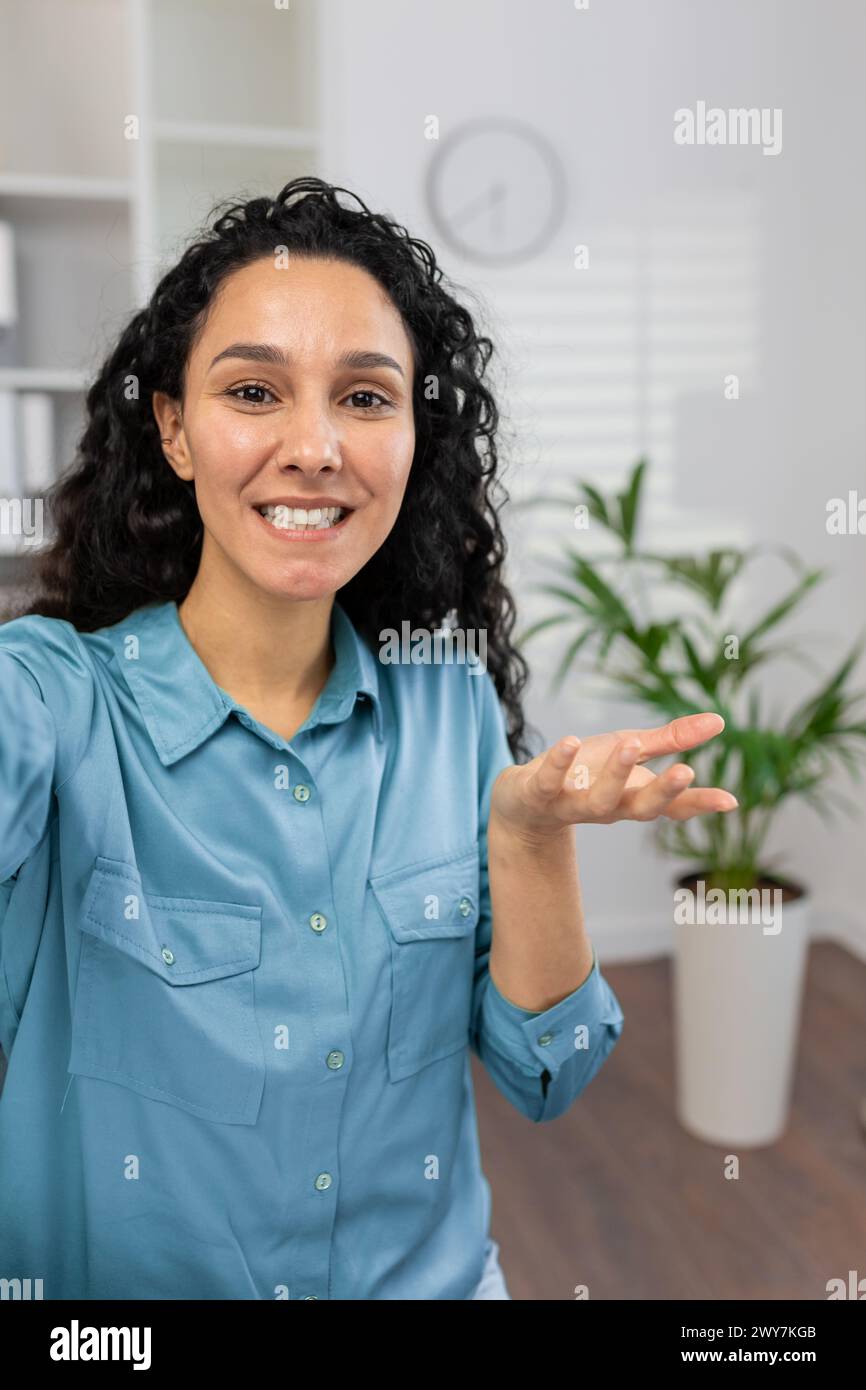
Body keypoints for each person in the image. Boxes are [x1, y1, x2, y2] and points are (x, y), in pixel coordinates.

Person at [0, 177, 735, 1301]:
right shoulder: (52, 697)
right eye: (254, 390)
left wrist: (529, 836)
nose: (313, 447)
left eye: (363, 397)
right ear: (174, 430)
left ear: (410, 434)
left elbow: (548, 1073)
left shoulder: (447, 707)